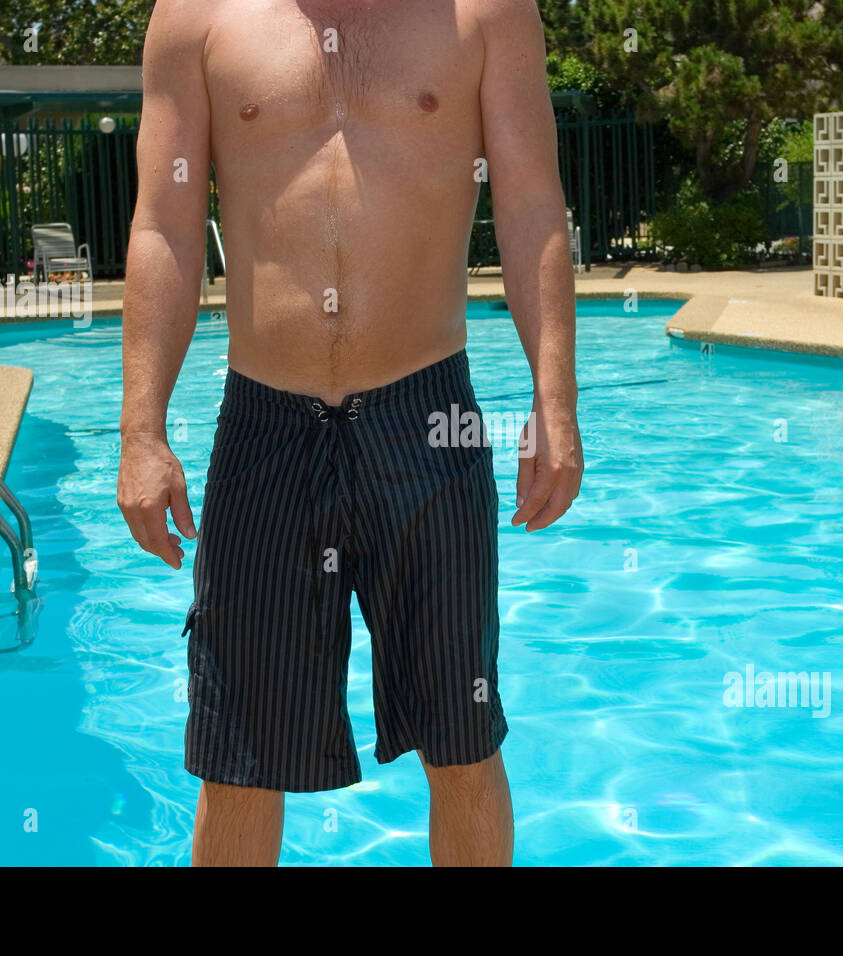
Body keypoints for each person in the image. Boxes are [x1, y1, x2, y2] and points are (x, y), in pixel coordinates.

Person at [117, 0, 582, 866]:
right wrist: (140, 431)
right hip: (265, 427)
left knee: (464, 741)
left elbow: (530, 205)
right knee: (239, 761)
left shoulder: (488, 13)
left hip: (427, 422)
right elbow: (164, 226)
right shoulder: (194, 17)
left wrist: (554, 402)